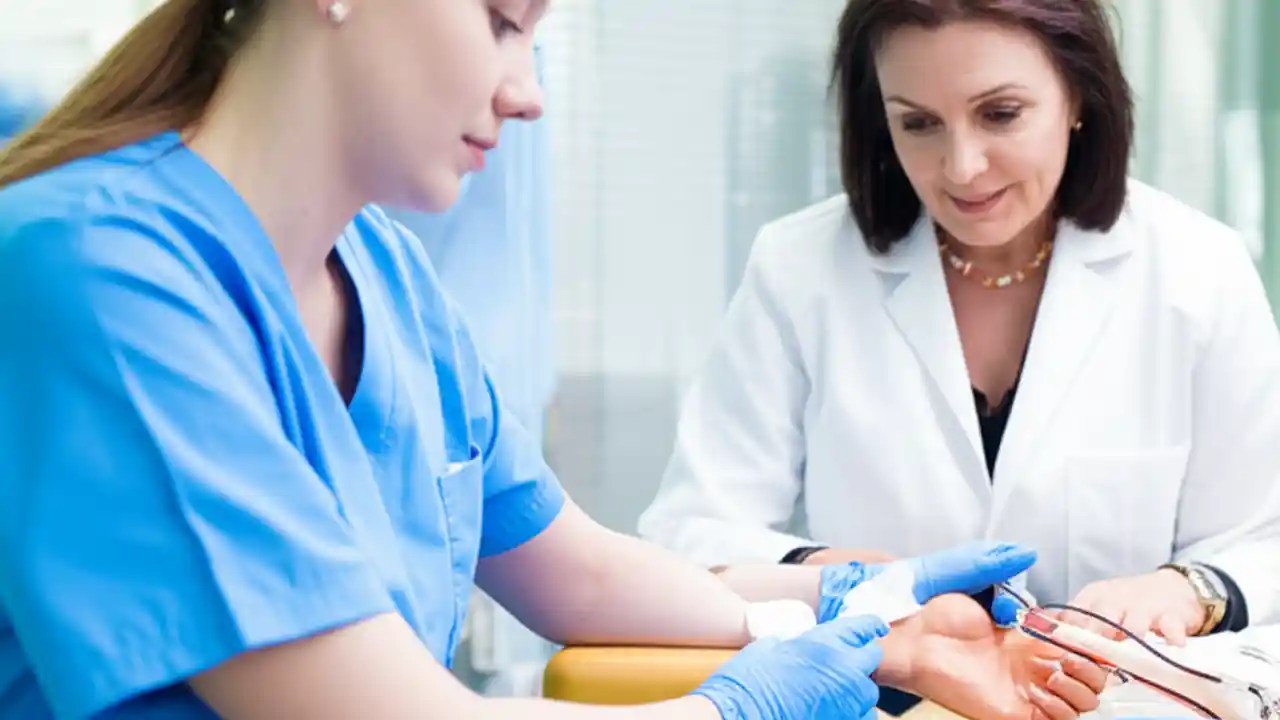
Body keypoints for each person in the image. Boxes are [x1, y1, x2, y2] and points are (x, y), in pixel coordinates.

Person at [0, 1, 1107, 719]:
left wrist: (864, 601)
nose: (526, 91)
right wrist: (729, 710)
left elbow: (579, 575)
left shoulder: (382, 274)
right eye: (499, 23)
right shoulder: (96, 273)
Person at [639, 0, 1280, 657]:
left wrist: (1187, 588)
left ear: (1078, 95)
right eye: (918, 123)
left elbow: (1263, 538)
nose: (962, 167)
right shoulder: (799, 268)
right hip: (884, 693)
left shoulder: (1199, 271)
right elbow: (693, 531)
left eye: (1000, 114)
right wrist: (828, 571)